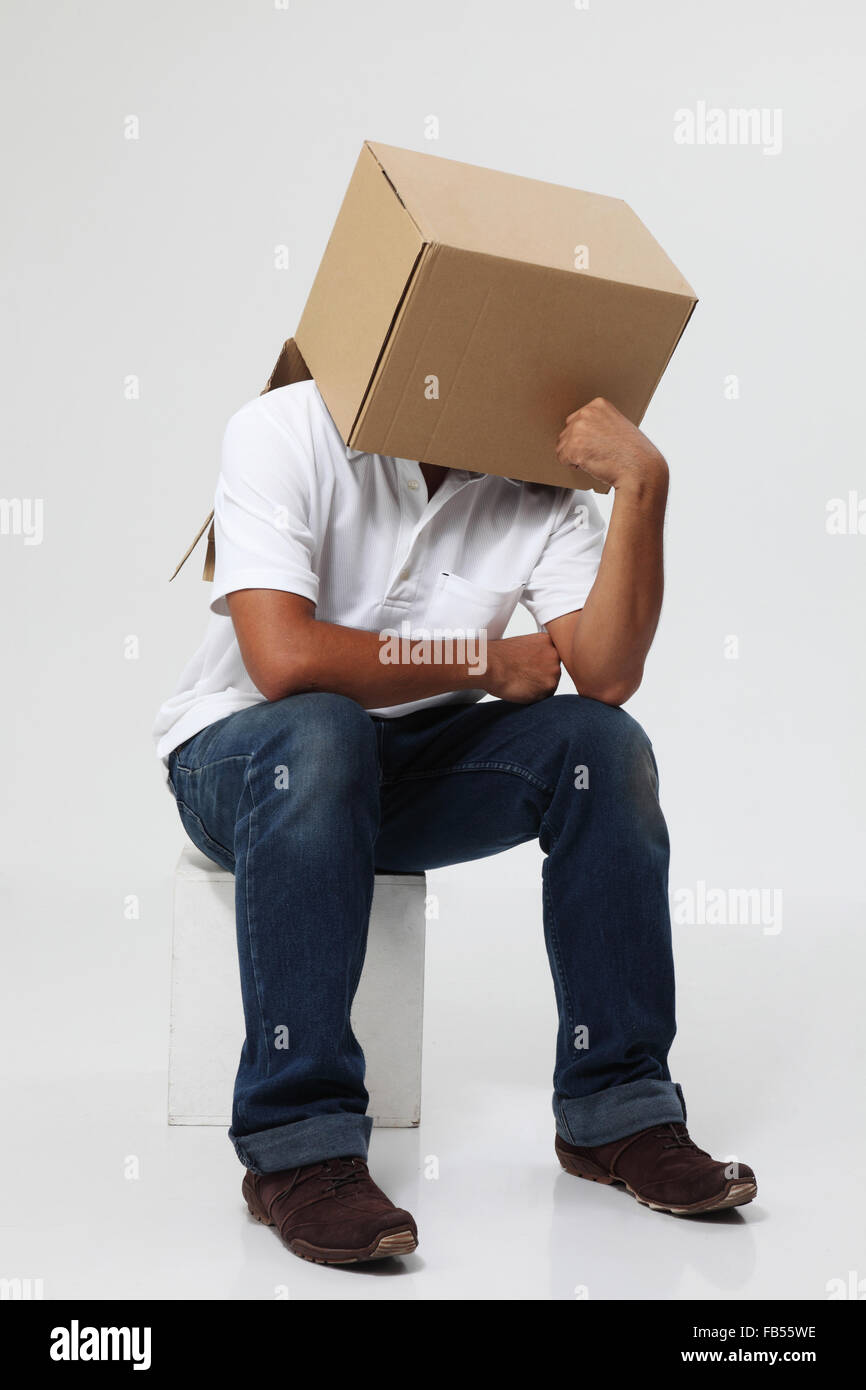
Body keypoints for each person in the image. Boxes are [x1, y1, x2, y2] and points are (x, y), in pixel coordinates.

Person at [153, 378, 756, 1264]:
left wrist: (642, 485)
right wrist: (477, 657)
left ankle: (615, 1113)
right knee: (324, 733)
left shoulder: (538, 483)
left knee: (602, 744)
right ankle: (297, 1148)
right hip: (251, 762)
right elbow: (284, 660)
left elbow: (605, 673)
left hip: (404, 772)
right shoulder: (284, 430)